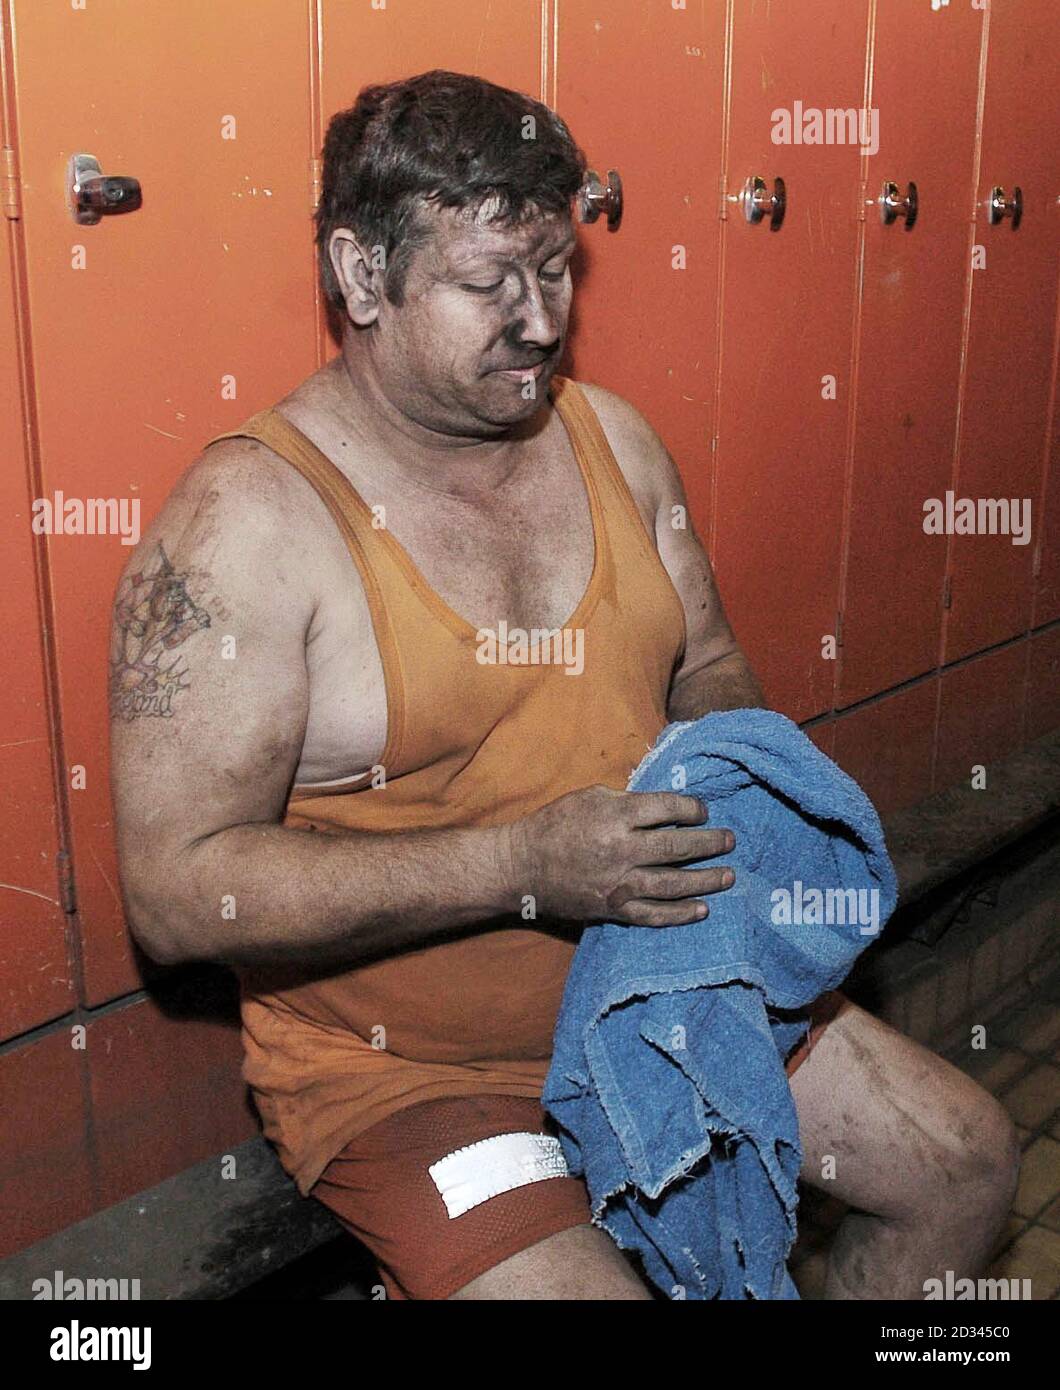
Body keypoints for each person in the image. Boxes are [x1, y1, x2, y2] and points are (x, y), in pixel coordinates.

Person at [109, 70, 1018, 1300]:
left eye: (558, 271)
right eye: (489, 284)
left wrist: (761, 802)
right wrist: (523, 864)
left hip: (665, 980)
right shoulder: (240, 528)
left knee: (965, 1164)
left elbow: (707, 666)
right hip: (413, 1070)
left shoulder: (614, 440)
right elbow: (178, 894)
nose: (539, 321)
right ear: (361, 276)